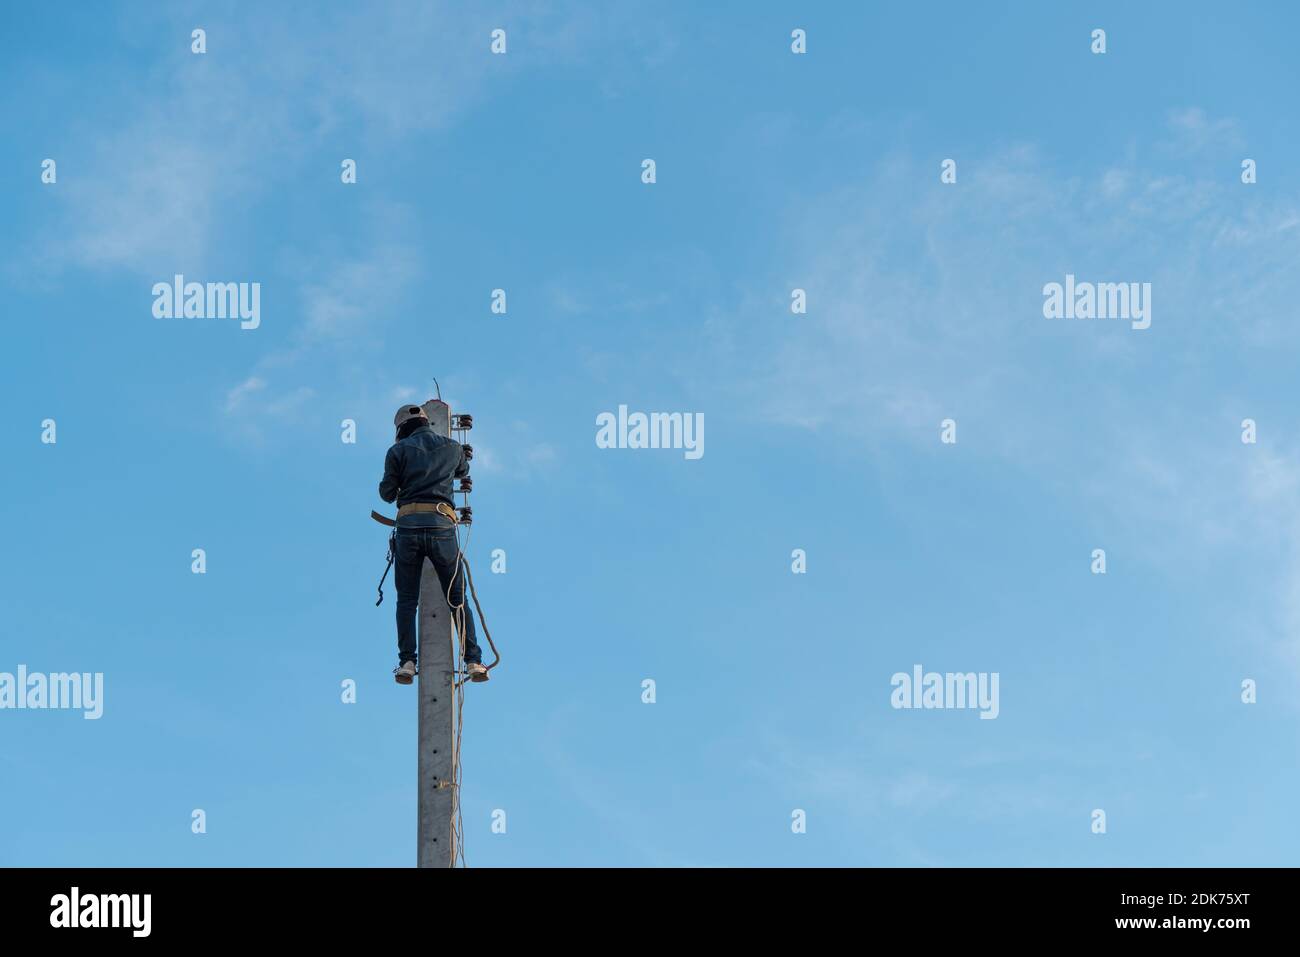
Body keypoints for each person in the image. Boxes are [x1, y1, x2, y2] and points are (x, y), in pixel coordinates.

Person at [379, 404, 488, 685]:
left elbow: (386, 494)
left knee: (406, 600)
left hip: (409, 526)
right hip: (441, 524)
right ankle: (473, 660)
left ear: (401, 428)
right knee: (457, 599)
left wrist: (404, 480)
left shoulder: (398, 452)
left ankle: (407, 661)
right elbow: (463, 470)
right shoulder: (451, 447)